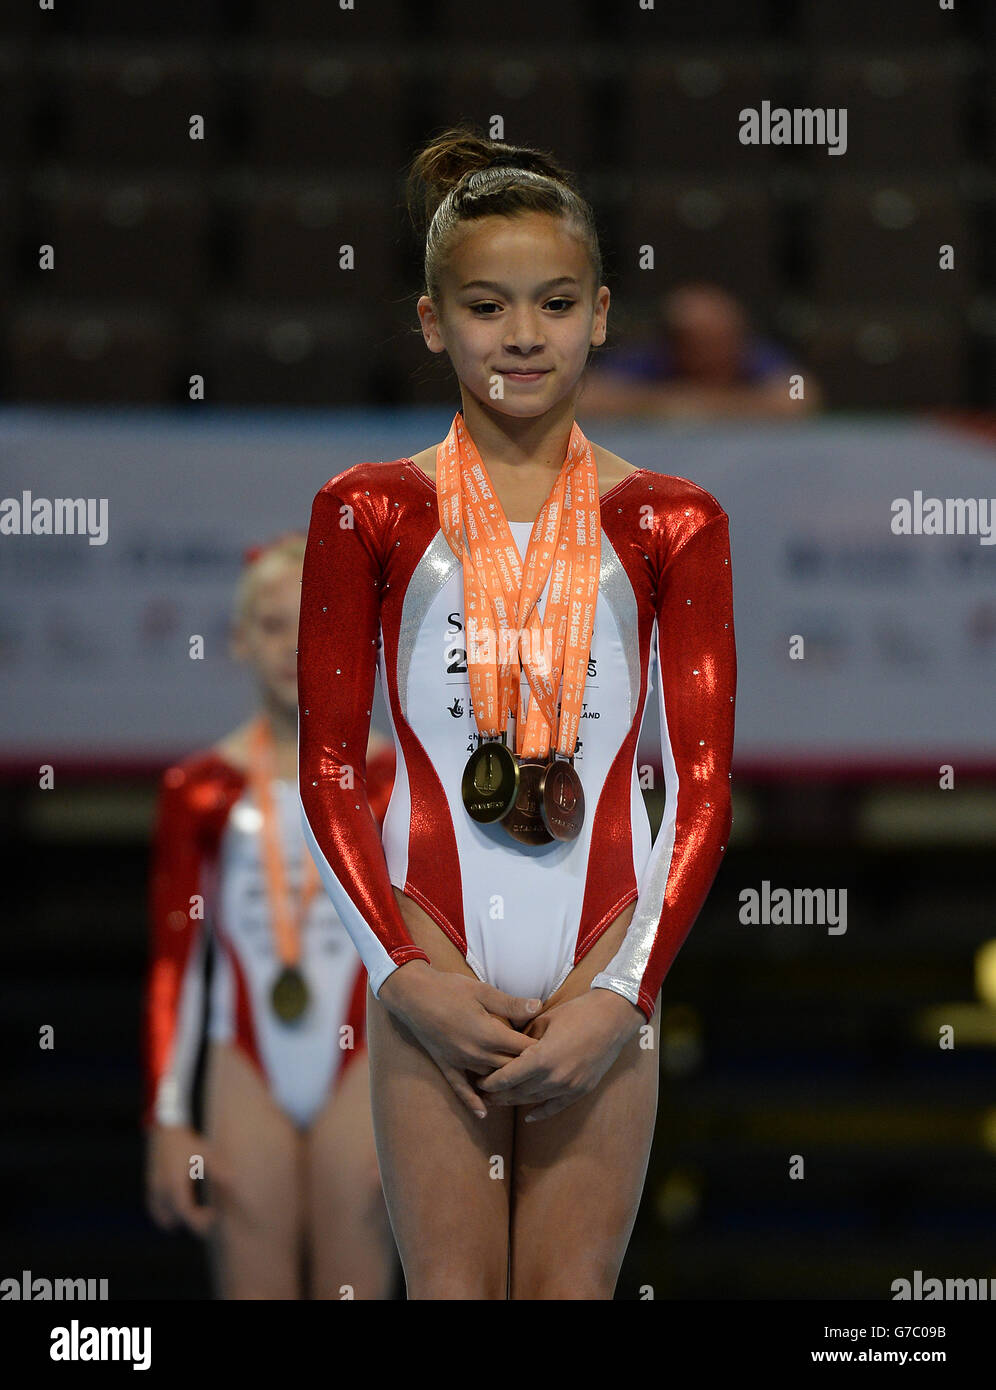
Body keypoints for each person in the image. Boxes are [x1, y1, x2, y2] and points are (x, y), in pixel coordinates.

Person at [297, 125, 737, 1300]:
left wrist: (624, 995)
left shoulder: (671, 521)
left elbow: (700, 788)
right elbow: (332, 771)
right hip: (430, 934)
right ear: (434, 322)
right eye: (487, 307)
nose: (524, 335)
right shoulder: (366, 509)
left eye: (553, 303)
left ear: (600, 313)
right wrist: (402, 974)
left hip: (605, 946)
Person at [143, 532, 397, 1299]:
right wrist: (167, 1117)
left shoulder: (396, 780)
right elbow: (174, 963)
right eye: (272, 626)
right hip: (242, 1062)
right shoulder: (200, 787)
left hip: (366, 1061)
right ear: (237, 640)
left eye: (316, 623)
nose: (294, 646)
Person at [579, 281, 822, 419]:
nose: (712, 352)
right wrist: (663, 402)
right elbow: (586, 399)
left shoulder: (754, 356)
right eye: (698, 342)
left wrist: (702, 404)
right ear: (676, 342)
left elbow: (800, 398)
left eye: (720, 340)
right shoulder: (650, 359)